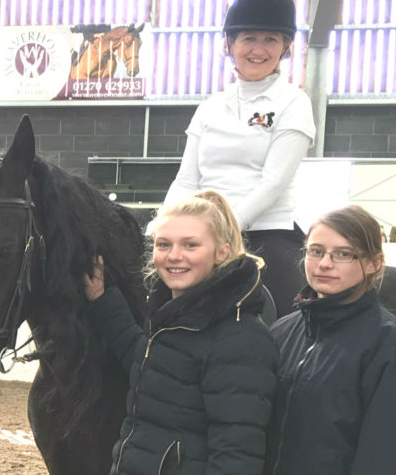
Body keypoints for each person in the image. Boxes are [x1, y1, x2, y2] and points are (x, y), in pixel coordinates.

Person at [84, 190, 278, 475]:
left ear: (221, 251)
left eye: (190, 245)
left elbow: (237, 454)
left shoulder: (240, 337)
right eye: (163, 244)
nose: (174, 256)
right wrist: (103, 300)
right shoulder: (175, 319)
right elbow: (151, 366)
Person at [164, 0, 316, 313]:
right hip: (203, 233)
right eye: (248, 38)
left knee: (291, 314)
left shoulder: (294, 102)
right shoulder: (210, 106)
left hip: (267, 232)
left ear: (285, 47)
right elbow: (187, 181)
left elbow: (273, 183)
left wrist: (221, 231)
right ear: (230, 43)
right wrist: (163, 226)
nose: (258, 49)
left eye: (270, 40)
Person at [266, 205, 396, 474]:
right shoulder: (281, 332)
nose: (324, 263)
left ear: (374, 263)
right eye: (316, 251)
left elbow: (392, 461)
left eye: (343, 254)